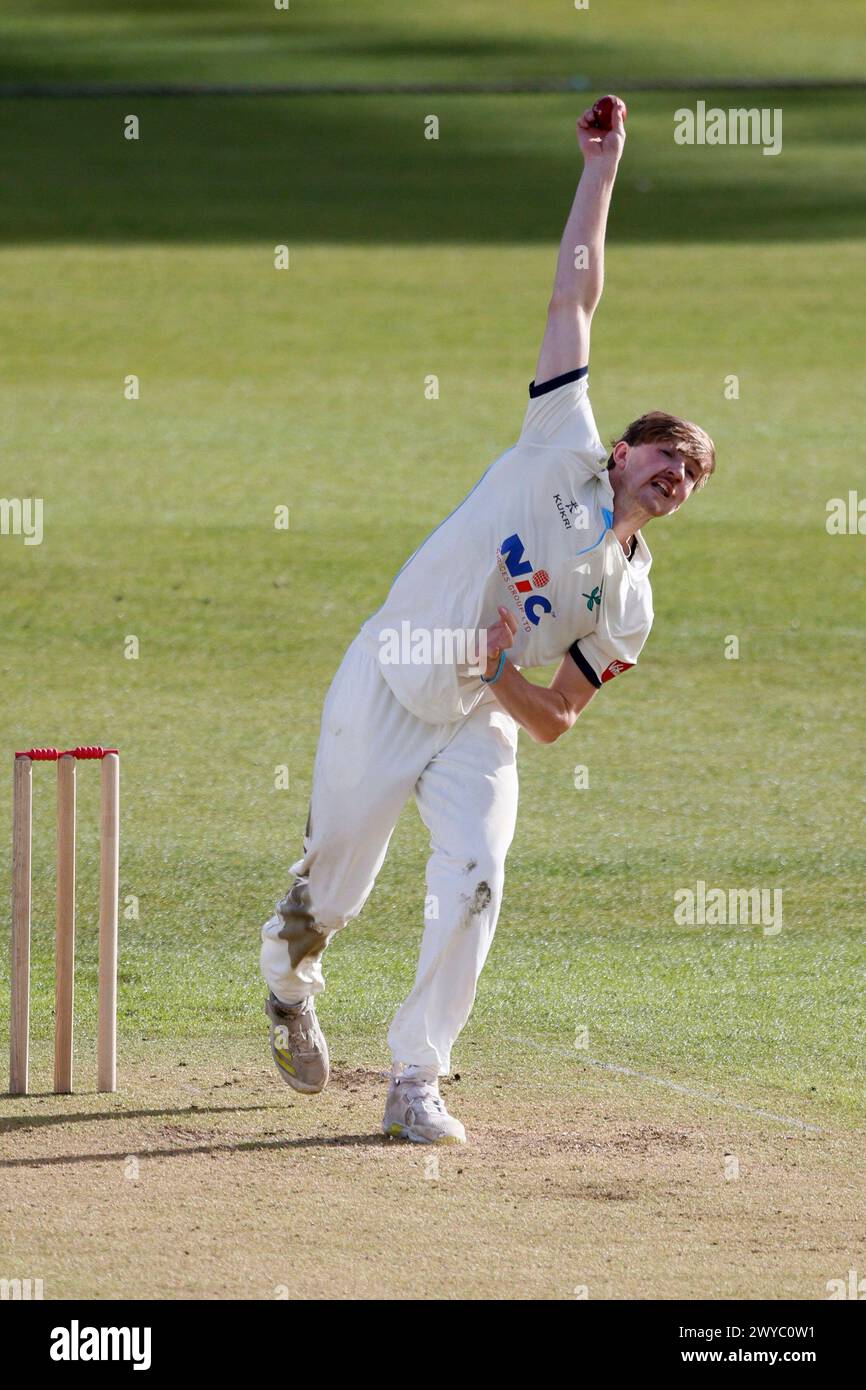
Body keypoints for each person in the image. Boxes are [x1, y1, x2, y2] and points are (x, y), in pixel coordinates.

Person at [260, 97, 715, 1144]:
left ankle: (415, 1078)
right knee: (334, 893)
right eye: (665, 454)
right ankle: (286, 987)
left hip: (480, 714)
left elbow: (555, 719)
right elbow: (574, 293)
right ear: (622, 452)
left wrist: (497, 673)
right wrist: (601, 168)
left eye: (692, 475)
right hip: (392, 671)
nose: (676, 475)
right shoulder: (559, 437)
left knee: (476, 878)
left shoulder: (630, 602)